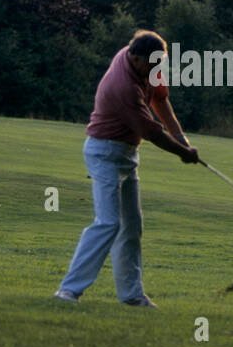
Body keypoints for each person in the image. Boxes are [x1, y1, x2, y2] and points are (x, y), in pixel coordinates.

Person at [53, 30, 199, 308]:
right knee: (108, 223)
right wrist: (183, 154)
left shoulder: (144, 62)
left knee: (131, 227)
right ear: (135, 57)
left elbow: (160, 99)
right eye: (152, 65)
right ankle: (68, 290)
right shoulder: (124, 86)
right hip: (104, 153)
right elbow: (151, 132)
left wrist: (182, 138)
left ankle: (131, 296)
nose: (156, 71)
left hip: (127, 154)